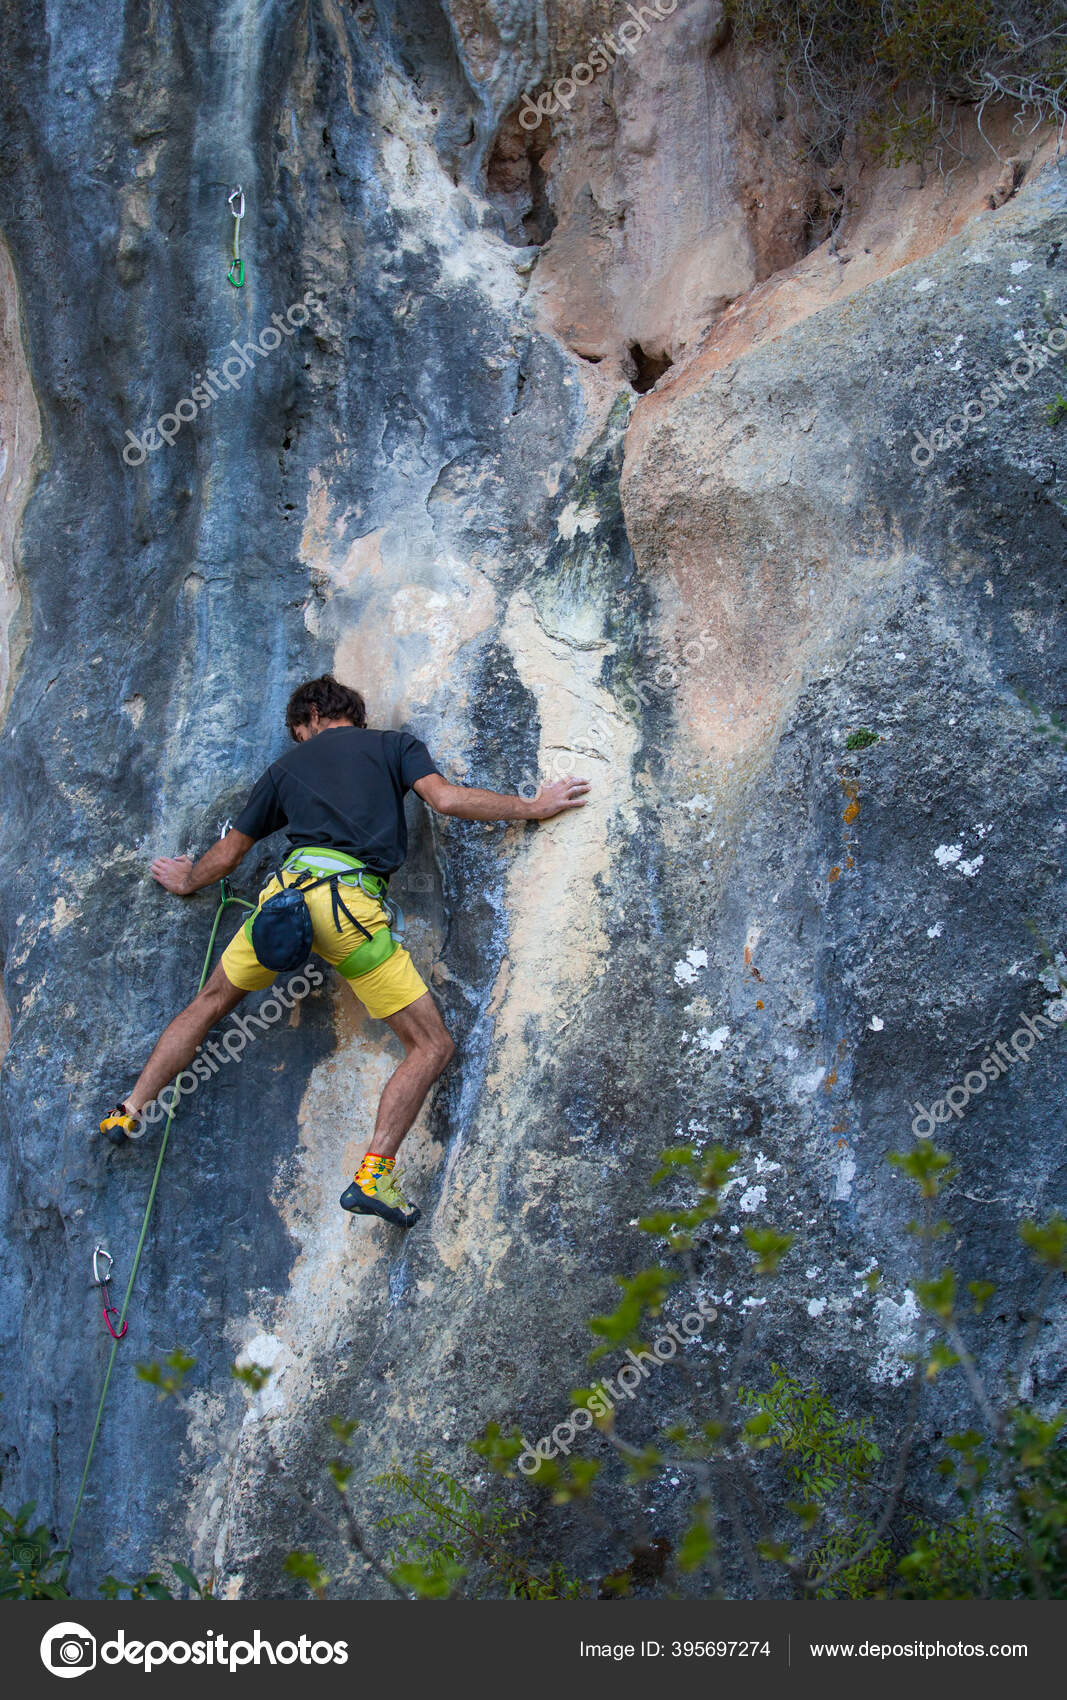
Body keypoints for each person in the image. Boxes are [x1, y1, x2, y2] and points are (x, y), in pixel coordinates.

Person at [99, 674, 590, 1228]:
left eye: (298, 733)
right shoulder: (393, 746)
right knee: (431, 1045)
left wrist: (188, 880)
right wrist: (534, 805)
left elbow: (229, 854)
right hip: (349, 909)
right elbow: (447, 800)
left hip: (281, 906)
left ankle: (129, 1109)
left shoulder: (285, 770)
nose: (301, 743)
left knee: (210, 1001)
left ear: (310, 717)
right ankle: (374, 1174)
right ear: (351, 714)